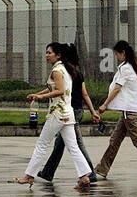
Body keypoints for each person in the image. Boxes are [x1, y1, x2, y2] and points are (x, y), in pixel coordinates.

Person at [11, 43, 95, 191]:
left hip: (57, 114)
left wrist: (40, 96)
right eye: (46, 52)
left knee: (42, 145)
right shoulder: (67, 69)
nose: (46, 55)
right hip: (68, 114)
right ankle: (84, 177)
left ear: (58, 55)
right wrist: (38, 95)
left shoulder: (57, 70)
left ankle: (29, 176)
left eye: (49, 53)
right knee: (73, 147)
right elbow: (55, 88)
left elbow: (60, 91)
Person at [93, 40, 137, 181]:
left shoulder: (126, 68)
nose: (116, 57)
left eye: (117, 54)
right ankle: (102, 169)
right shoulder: (133, 67)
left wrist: (104, 105)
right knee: (114, 140)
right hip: (128, 112)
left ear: (123, 53)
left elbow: (117, 88)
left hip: (129, 113)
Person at [36, 42, 99, 183]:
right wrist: (92, 111)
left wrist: (93, 112)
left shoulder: (65, 72)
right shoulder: (75, 72)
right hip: (75, 110)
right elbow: (85, 95)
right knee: (61, 145)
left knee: (76, 144)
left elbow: (59, 90)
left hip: (69, 111)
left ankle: (89, 172)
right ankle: (48, 172)